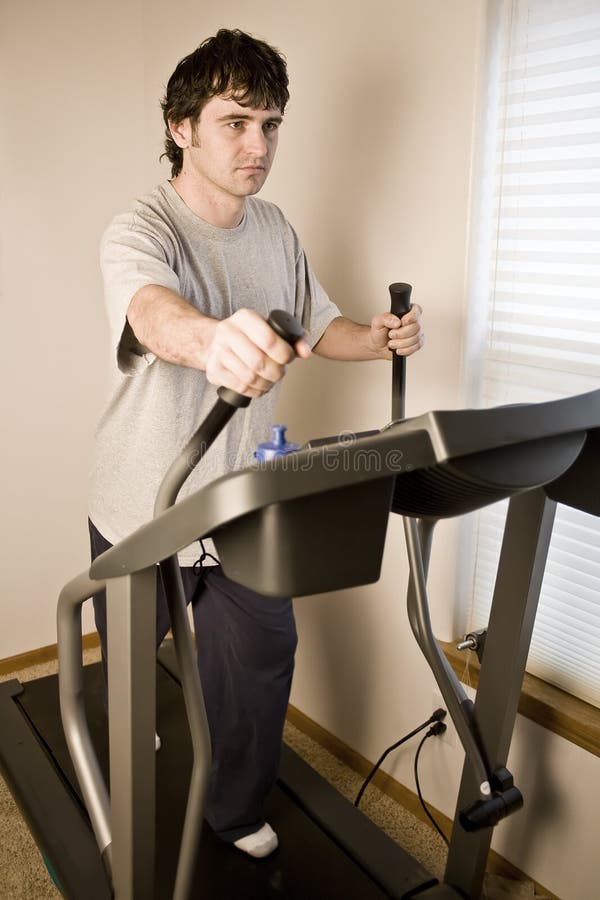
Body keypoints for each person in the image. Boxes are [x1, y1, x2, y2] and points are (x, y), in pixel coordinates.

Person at [89, 28, 423, 860]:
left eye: (270, 125)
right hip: (140, 502)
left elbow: (320, 326)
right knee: (123, 679)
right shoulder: (140, 227)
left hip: (240, 502)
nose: (258, 145)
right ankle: (116, 763)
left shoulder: (274, 228)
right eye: (236, 123)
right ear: (181, 127)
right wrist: (212, 342)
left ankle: (234, 810)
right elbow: (150, 312)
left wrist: (378, 337)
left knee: (263, 662)